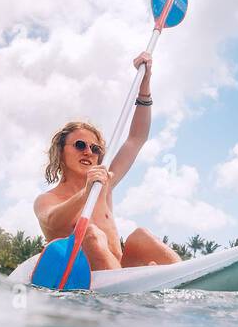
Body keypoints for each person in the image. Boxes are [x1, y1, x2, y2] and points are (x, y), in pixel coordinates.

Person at [34, 52, 179, 271]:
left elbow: (136, 138)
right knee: (90, 234)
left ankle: (191, 282)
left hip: (121, 270)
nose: (89, 153)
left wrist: (144, 86)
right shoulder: (47, 200)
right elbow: (52, 221)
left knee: (141, 236)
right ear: (60, 152)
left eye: (95, 149)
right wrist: (85, 193)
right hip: (93, 284)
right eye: (80, 145)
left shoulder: (105, 184)